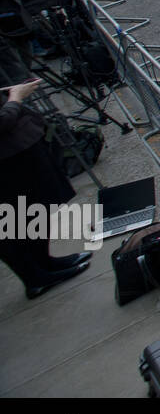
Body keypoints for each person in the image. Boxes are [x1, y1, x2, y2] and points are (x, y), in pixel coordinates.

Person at [0, 76, 94, 299]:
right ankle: (36, 277)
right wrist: (15, 98)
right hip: (7, 158)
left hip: (16, 150)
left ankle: (45, 263)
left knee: (37, 210)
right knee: (12, 225)